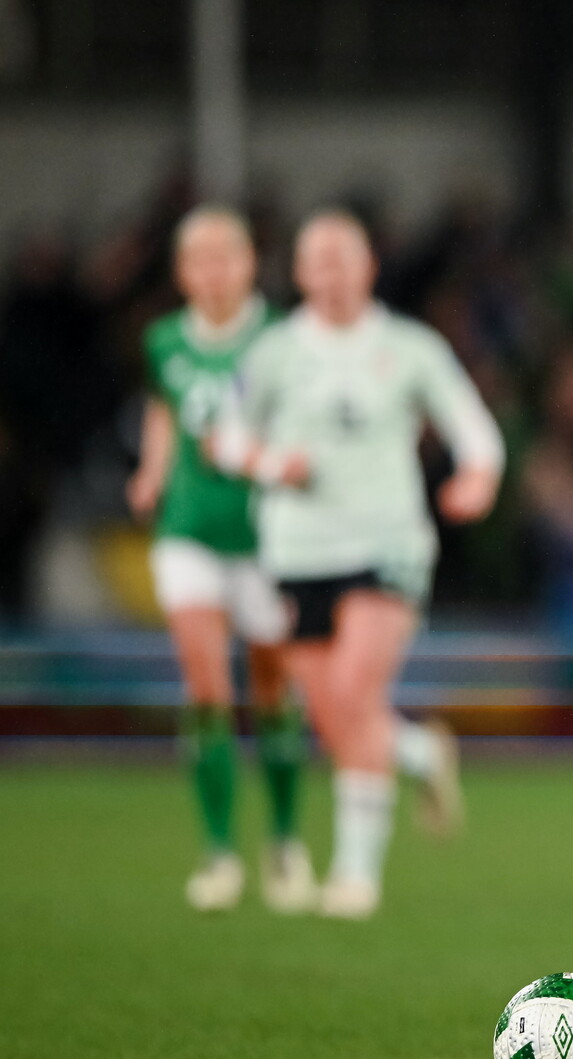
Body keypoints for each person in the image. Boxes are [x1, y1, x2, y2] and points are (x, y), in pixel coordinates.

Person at [216, 211, 501, 920]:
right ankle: (418, 753)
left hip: (387, 543)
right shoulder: (274, 352)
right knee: (334, 712)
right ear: (300, 271)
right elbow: (224, 437)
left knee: (351, 691)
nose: (333, 271)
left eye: (346, 257)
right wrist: (270, 463)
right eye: (319, 259)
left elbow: (475, 431)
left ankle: (354, 872)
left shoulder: (409, 347)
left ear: (369, 266)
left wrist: (476, 478)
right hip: (298, 548)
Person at [127, 206, 313, 913]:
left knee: (272, 690)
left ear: (248, 263)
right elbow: (164, 410)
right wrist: (152, 471)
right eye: (199, 258)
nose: (213, 269)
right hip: (188, 532)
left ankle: (286, 843)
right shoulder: (164, 339)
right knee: (206, 687)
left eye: (226, 255)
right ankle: (218, 853)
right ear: (182, 272)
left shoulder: (282, 340)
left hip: (268, 538)